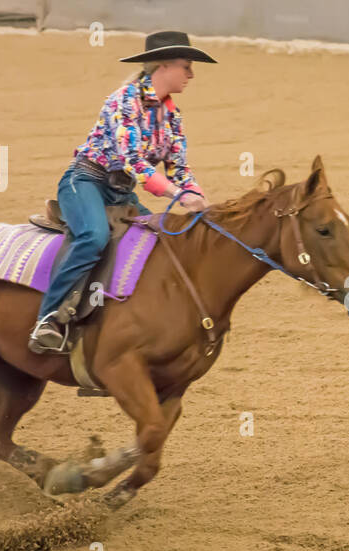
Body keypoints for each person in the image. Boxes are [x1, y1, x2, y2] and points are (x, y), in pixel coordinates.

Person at [29, 31, 217, 354]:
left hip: (120, 195)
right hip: (86, 182)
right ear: (164, 65)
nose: (191, 75)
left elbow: (180, 169)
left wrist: (198, 196)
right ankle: (47, 318)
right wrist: (177, 195)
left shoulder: (172, 115)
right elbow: (133, 163)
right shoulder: (124, 100)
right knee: (93, 237)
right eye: (186, 66)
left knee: (163, 241)